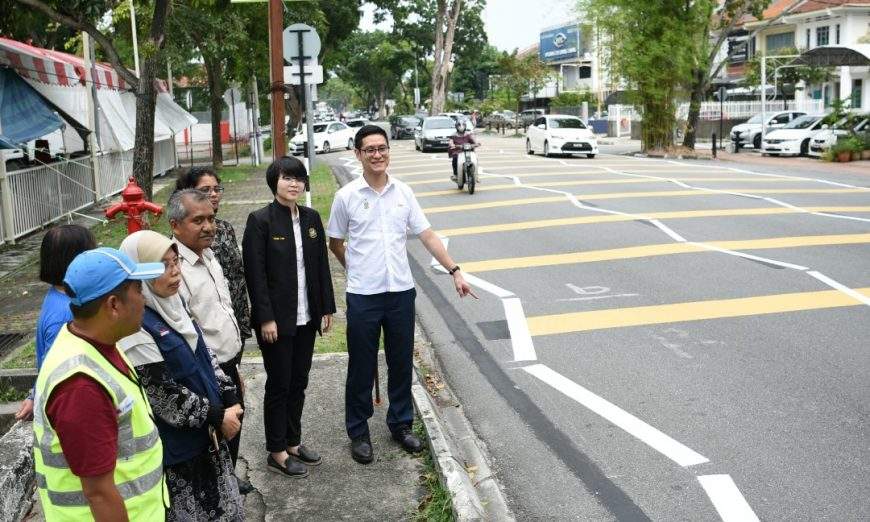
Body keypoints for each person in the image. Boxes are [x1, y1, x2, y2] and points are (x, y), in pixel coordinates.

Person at [327, 125, 477, 464]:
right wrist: (355, 268)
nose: (377, 155)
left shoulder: (403, 193)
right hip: (363, 295)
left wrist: (455, 270)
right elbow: (335, 242)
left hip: (400, 294)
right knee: (361, 366)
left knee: (399, 362)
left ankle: (400, 423)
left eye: (382, 148)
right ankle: (359, 430)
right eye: (370, 150)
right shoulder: (346, 197)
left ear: (388, 151)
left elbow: (427, 236)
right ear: (358, 154)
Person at [32, 247, 169, 520]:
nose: (144, 300)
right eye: (138, 291)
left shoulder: (98, 343)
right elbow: (99, 492)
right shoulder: (81, 386)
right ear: (114, 305)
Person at [119, 230, 244, 521]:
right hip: (179, 454)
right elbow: (163, 396)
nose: (175, 272)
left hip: (209, 443)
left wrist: (228, 395)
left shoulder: (176, 305)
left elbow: (206, 354)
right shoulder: (137, 327)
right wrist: (216, 415)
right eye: (164, 265)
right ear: (139, 273)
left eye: (176, 262)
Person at [242, 156, 336, 478]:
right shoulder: (260, 221)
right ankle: (277, 451)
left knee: (299, 380)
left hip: (307, 316)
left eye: (298, 178)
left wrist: (325, 306)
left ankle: (294, 442)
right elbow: (256, 276)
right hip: (277, 322)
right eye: (287, 178)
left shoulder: (310, 218)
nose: (294, 183)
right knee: (279, 383)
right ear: (275, 182)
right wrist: (265, 318)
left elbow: (321, 266)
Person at [168, 189, 247, 482]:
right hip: (205, 377)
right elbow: (192, 334)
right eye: (197, 220)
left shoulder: (210, 256)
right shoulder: (175, 269)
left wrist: (233, 368)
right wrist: (220, 379)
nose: (208, 227)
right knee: (211, 451)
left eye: (211, 219)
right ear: (175, 225)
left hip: (227, 368)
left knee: (232, 442)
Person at [16, 224, 96, 421]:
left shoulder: (60, 294)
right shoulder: (65, 315)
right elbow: (58, 373)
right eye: (92, 254)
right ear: (75, 261)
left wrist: (33, 394)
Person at [175, 167, 251, 345]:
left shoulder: (225, 229)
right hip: (208, 327)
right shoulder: (185, 237)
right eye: (205, 190)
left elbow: (237, 274)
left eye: (217, 189)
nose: (213, 194)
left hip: (233, 317)